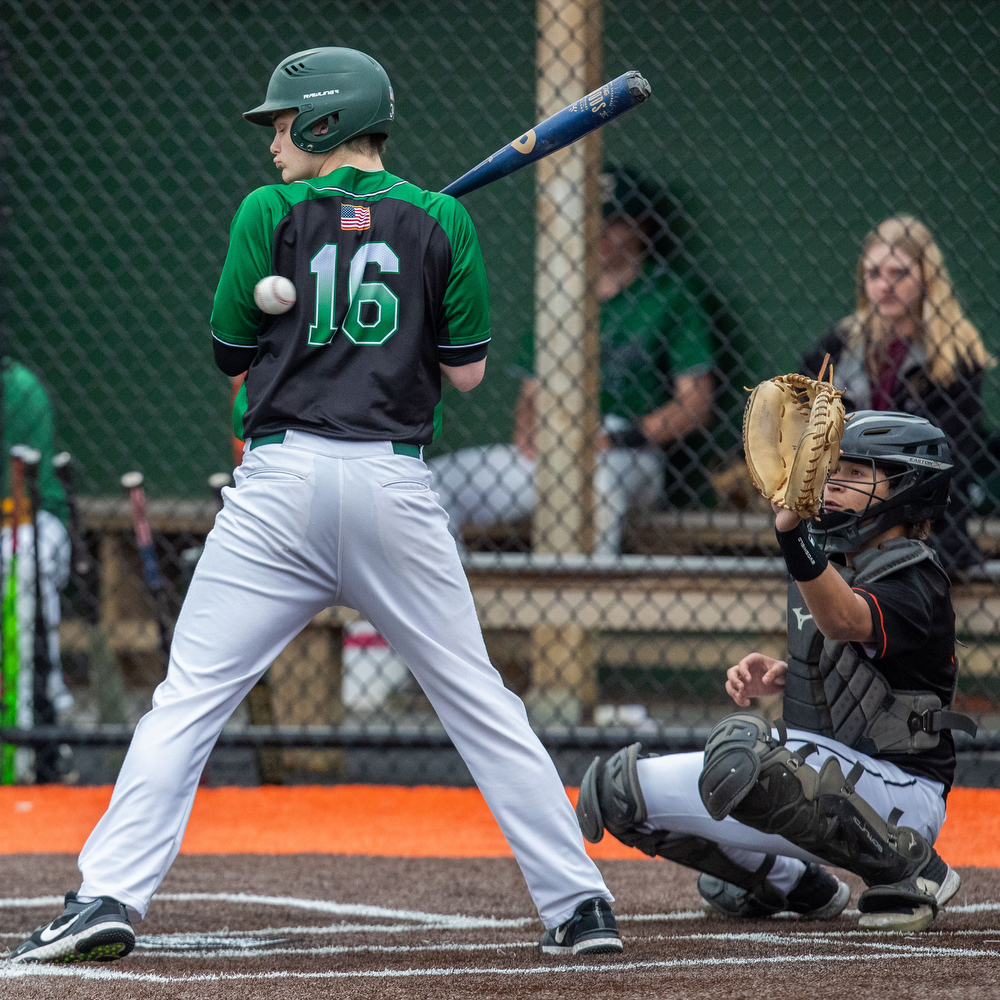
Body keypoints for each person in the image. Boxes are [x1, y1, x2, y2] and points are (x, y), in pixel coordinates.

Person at [8, 47, 621, 964]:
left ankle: (106, 895)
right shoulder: (440, 219)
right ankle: (580, 905)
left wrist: (291, 319)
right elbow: (467, 373)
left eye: (285, 124)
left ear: (328, 122)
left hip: (280, 488)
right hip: (394, 486)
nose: (273, 144)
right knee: (479, 702)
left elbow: (226, 349)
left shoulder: (269, 216)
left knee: (188, 700)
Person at [575, 411, 974, 932]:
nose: (832, 485)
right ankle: (793, 884)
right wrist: (787, 674)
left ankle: (911, 868)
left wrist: (793, 534)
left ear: (908, 486)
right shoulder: (848, 564)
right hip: (837, 779)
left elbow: (846, 618)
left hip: (904, 797)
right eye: (832, 472)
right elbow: (862, 669)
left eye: (855, 474)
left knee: (746, 754)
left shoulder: (914, 575)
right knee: (616, 791)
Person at [429, 167, 714, 556]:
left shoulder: (669, 293)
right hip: (555, 445)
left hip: (628, 454)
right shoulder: (560, 286)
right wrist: (531, 432)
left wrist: (613, 438)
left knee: (595, 482)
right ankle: (457, 609)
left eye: (613, 221)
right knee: (432, 483)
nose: (597, 230)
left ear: (640, 227)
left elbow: (695, 405)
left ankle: (580, 611)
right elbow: (531, 396)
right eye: (589, 216)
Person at [800, 215, 994, 574]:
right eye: (874, 274)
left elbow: (951, 457)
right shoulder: (840, 345)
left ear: (926, 277)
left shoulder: (956, 353)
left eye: (898, 273)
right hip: (839, 507)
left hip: (926, 524)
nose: (884, 285)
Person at [1, 359, 74, 782]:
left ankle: (33, 736)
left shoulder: (18, 387)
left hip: (32, 521)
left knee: (22, 566)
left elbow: (19, 503)